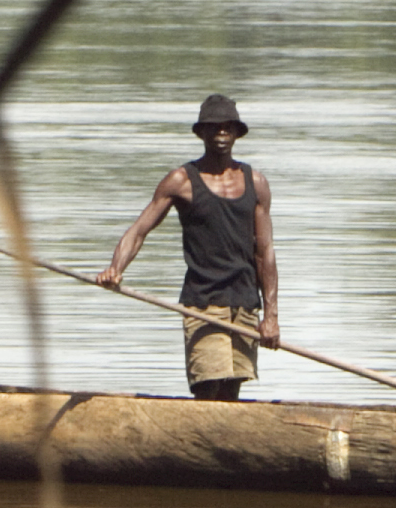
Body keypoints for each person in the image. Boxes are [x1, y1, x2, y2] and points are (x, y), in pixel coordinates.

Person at [98, 94, 280, 401]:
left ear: (236, 133)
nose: (221, 134)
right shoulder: (181, 181)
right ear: (201, 134)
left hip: (245, 304)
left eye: (227, 128)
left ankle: (226, 449)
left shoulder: (256, 183)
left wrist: (271, 315)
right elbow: (139, 230)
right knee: (208, 388)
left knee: (231, 395)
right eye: (213, 128)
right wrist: (115, 269)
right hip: (203, 303)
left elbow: (265, 253)